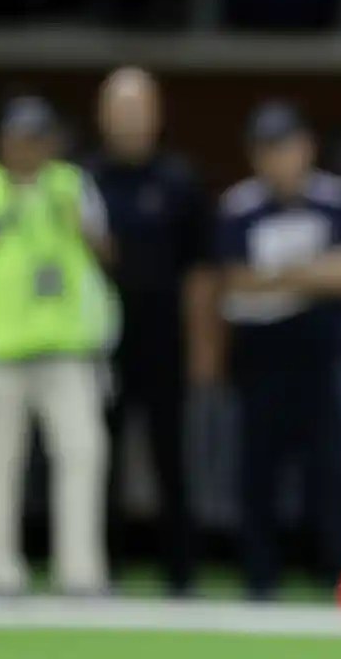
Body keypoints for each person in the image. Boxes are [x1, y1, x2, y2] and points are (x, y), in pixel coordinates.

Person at [0, 96, 117, 595]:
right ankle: (0, 569)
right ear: (2, 142)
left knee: (83, 453)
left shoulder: (72, 187)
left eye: (40, 137)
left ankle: (80, 571)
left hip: (67, 349)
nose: (30, 147)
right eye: (20, 136)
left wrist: (82, 228)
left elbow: (106, 257)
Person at [217, 101, 341, 600]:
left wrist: (282, 279)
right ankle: (259, 575)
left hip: (323, 355)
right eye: (268, 150)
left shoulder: (337, 200)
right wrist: (319, 274)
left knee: (331, 468)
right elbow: (234, 283)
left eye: (287, 147)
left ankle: (338, 571)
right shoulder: (239, 207)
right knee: (257, 469)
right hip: (259, 358)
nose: (280, 160)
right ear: (254, 156)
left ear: (306, 148)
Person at [87, 67, 218, 596]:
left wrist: (204, 347)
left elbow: (202, 273)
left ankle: (181, 572)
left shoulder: (179, 181)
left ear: (157, 115)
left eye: (139, 109)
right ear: (103, 116)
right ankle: (104, 565)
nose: (130, 121)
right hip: (97, 338)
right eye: (120, 110)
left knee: (171, 455)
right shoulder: (82, 181)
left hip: (166, 335)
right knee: (101, 455)